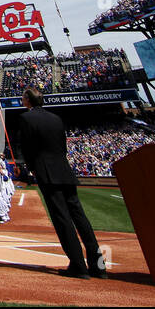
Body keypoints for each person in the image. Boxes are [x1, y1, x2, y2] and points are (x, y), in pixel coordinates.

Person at [18, 87, 104, 278]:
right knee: (80, 217)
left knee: (62, 218)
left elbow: (27, 147)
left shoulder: (26, 118)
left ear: (28, 100)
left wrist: (31, 168)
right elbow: (62, 147)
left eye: (23, 97)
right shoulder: (56, 118)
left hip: (47, 173)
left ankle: (78, 266)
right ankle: (99, 266)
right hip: (64, 170)